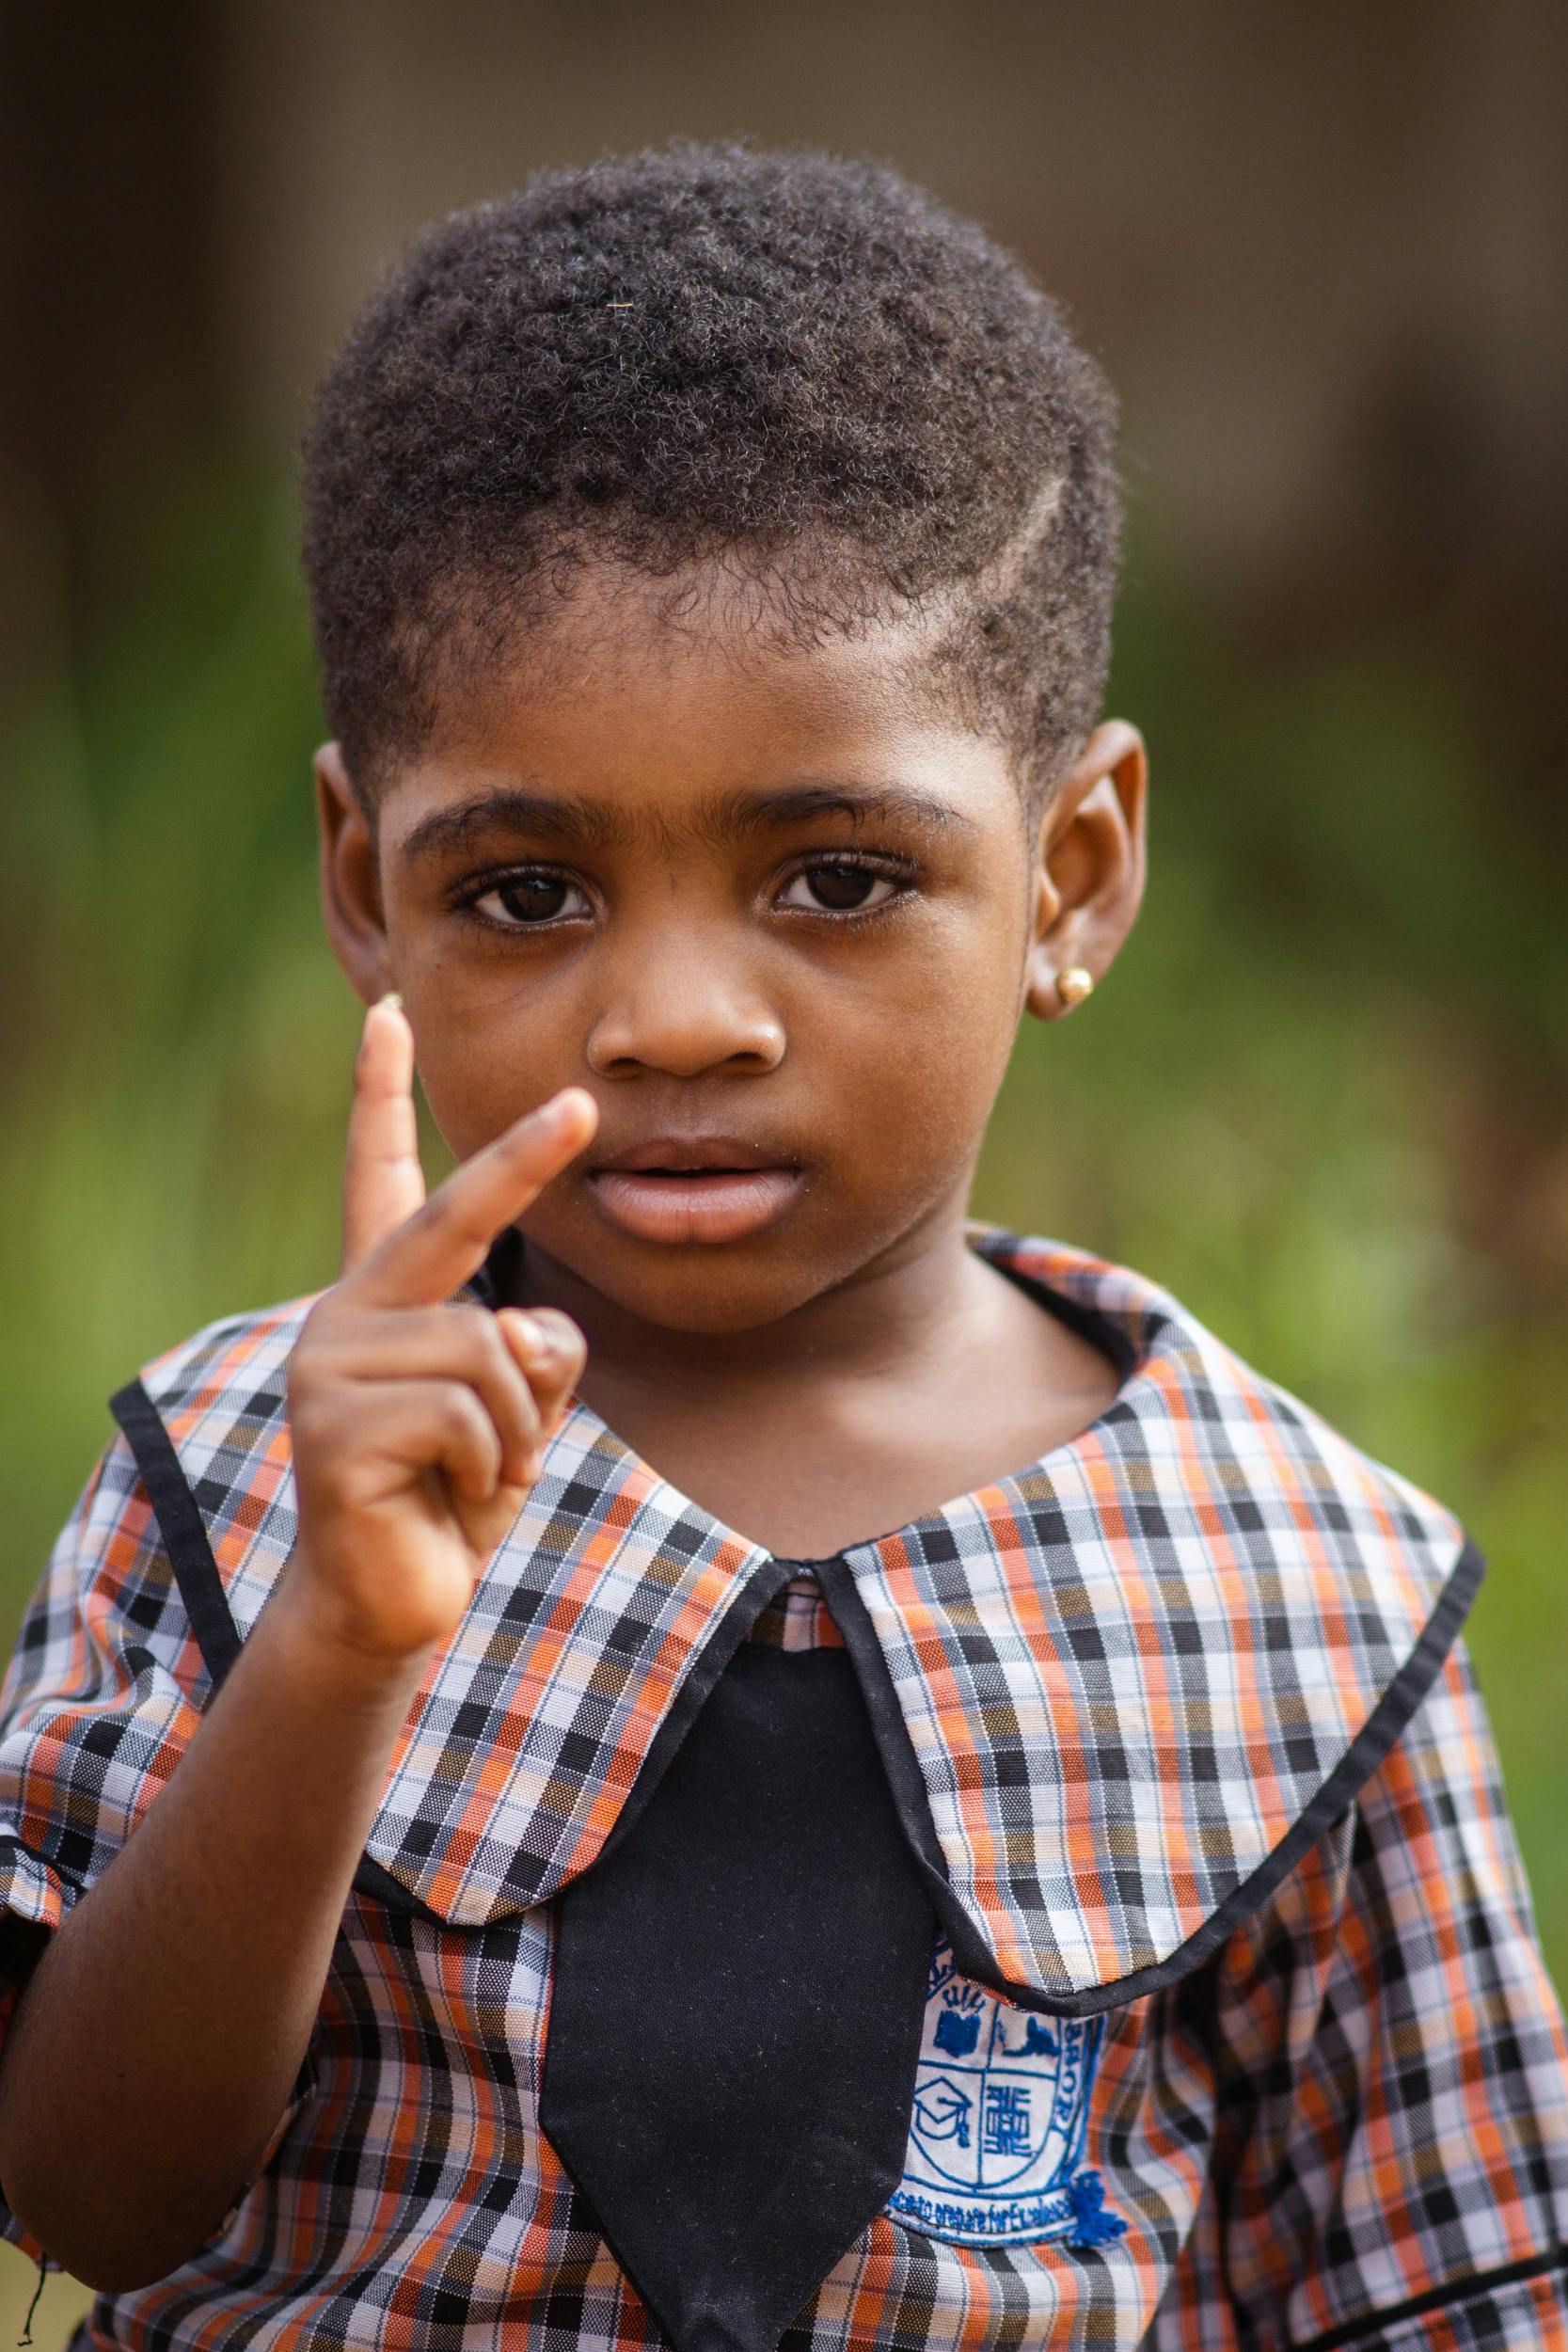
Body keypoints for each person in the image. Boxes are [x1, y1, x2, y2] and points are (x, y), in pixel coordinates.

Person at [0, 144, 1563, 2352]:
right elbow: (84, 2190)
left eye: (835, 877)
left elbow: (1457, 2281)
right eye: (526, 890)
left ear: (1076, 870)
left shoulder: (1306, 1585)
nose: (675, 1017)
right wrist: (335, 1650)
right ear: (365, 880)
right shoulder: (245, 1467)